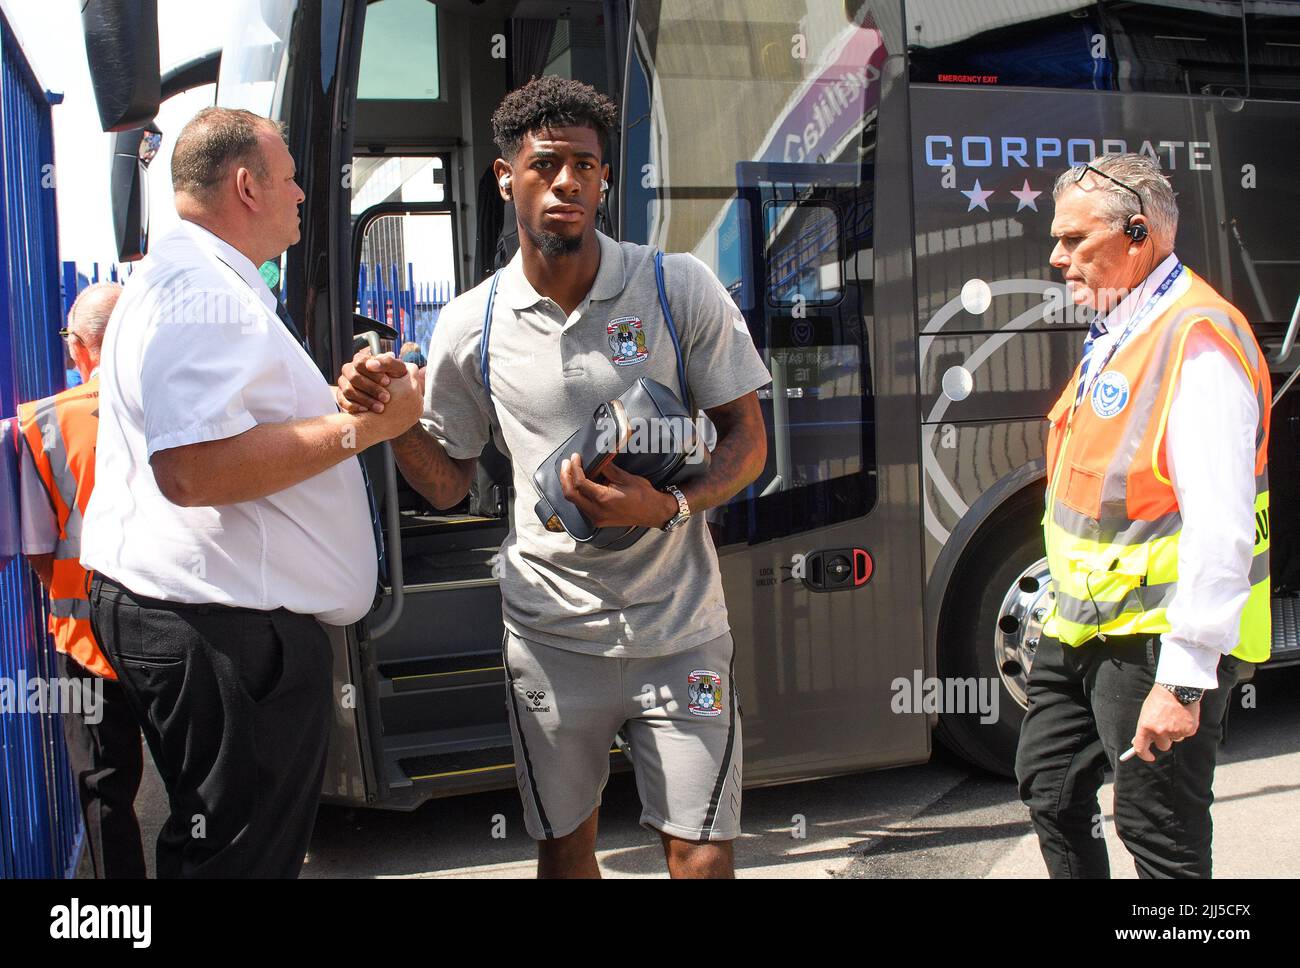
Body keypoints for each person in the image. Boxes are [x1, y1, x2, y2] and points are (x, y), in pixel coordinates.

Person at [337, 76, 770, 878]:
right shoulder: (473, 322)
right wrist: (394, 427)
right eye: (545, 164)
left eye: (586, 164)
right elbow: (447, 486)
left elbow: (749, 440)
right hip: (550, 636)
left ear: (605, 178)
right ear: (506, 177)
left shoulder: (677, 287)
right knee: (566, 854)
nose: (567, 180)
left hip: (683, 633)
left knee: (702, 858)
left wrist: (668, 504)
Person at [80, 107, 422, 878]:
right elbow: (194, 469)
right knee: (240, 862)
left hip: (215, 622)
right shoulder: (204, 291)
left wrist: (345, 406)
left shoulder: (194, 283)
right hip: (224, 632)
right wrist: (367, 429)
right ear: (246, 185)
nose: (305, 194)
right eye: (293, 177)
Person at [1017, 153, 1272, 878]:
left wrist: (1184, 680)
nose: (1057, 257)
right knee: (1049, 786)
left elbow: (1222, 528)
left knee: (1158, 833)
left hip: (1156, 639)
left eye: (1074, 241)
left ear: (1138, 235)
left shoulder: (1196, 341)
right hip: (1085, 627)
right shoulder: (1128, 322)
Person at [18, 282, 147, 879]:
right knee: (197, 785)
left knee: (105, 790)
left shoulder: (42, 425)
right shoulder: (181, 407)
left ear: (81, 348)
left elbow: (37, 548)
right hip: (178, 634)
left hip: (86, 640)